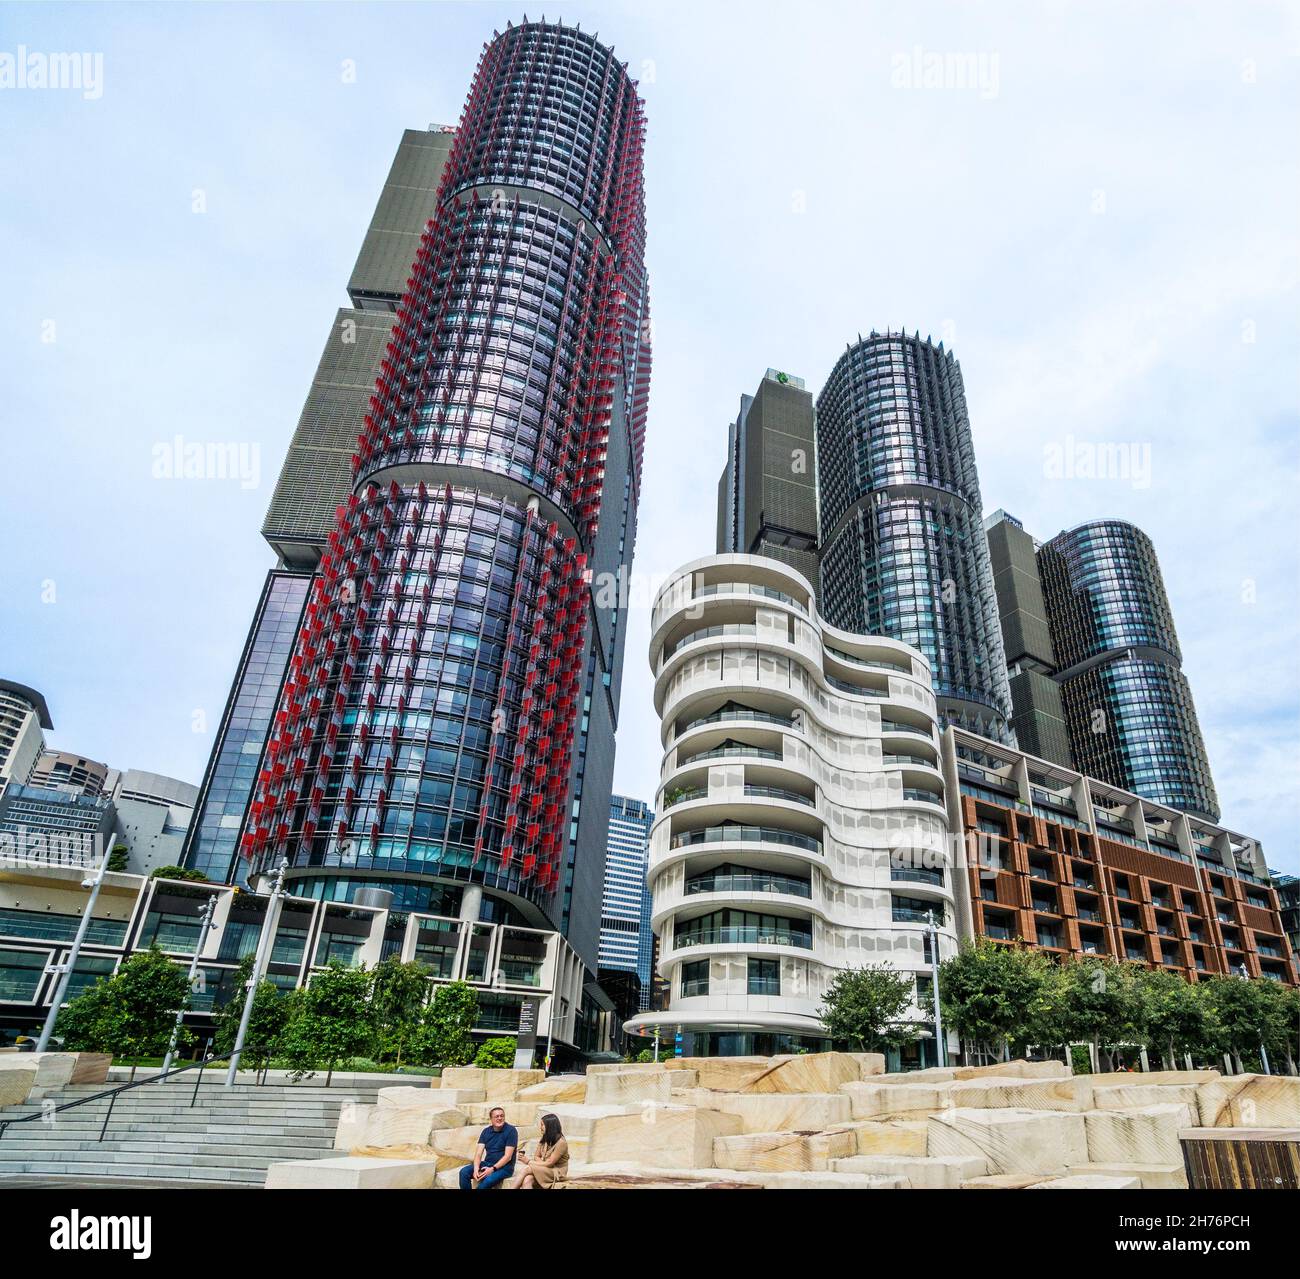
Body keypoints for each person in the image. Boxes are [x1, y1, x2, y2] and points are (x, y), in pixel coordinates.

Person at [458, 1107, 518, 1190]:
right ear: (491, 1119)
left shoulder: (511, 1130)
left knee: (487, 1181)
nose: (500, 1118)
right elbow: (478, 1153)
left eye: (502, 1116)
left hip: (505, 1168)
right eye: (497, 1116)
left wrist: (492, 1169)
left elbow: (508, 1157)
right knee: (464, 1172)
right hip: (487, 1163)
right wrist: (476, 1169)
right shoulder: (486, 1131)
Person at [509, 1112, 569, 1190]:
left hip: (556, 1172)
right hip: (544, 1168)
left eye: (542, 1125)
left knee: (526, 1169)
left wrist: (528, 1161)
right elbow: (536, 1156)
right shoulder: (545, 1138)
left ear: (549, 1126)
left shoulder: (561, 1142)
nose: (540, 1127)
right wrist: (541, 1163)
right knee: (527, 1179)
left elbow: (550, 1163)